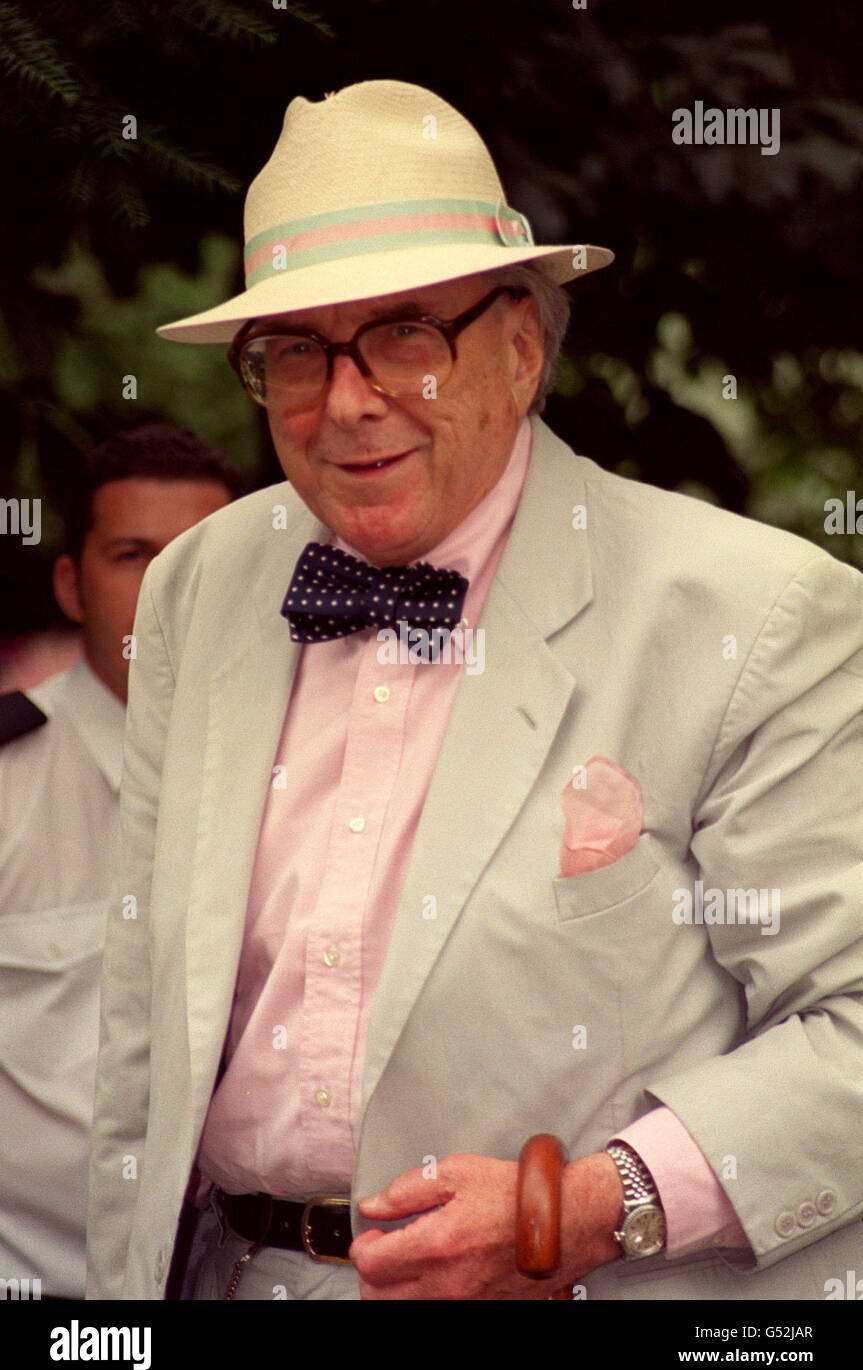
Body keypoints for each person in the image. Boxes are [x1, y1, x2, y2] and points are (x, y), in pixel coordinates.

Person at [86, 80, 863, 1302]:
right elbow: (141, 1020)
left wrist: (584, 1208)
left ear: (519, 344)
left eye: (404, 333)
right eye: (294, 350)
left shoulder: (752, 611)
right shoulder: (199, 584)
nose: (345, 400)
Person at [0, 424, 239, 1298]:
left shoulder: (300, 778)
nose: (169, 589)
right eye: (134, 556)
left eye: (199, 558)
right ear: (70, 582)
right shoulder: (9, 780)